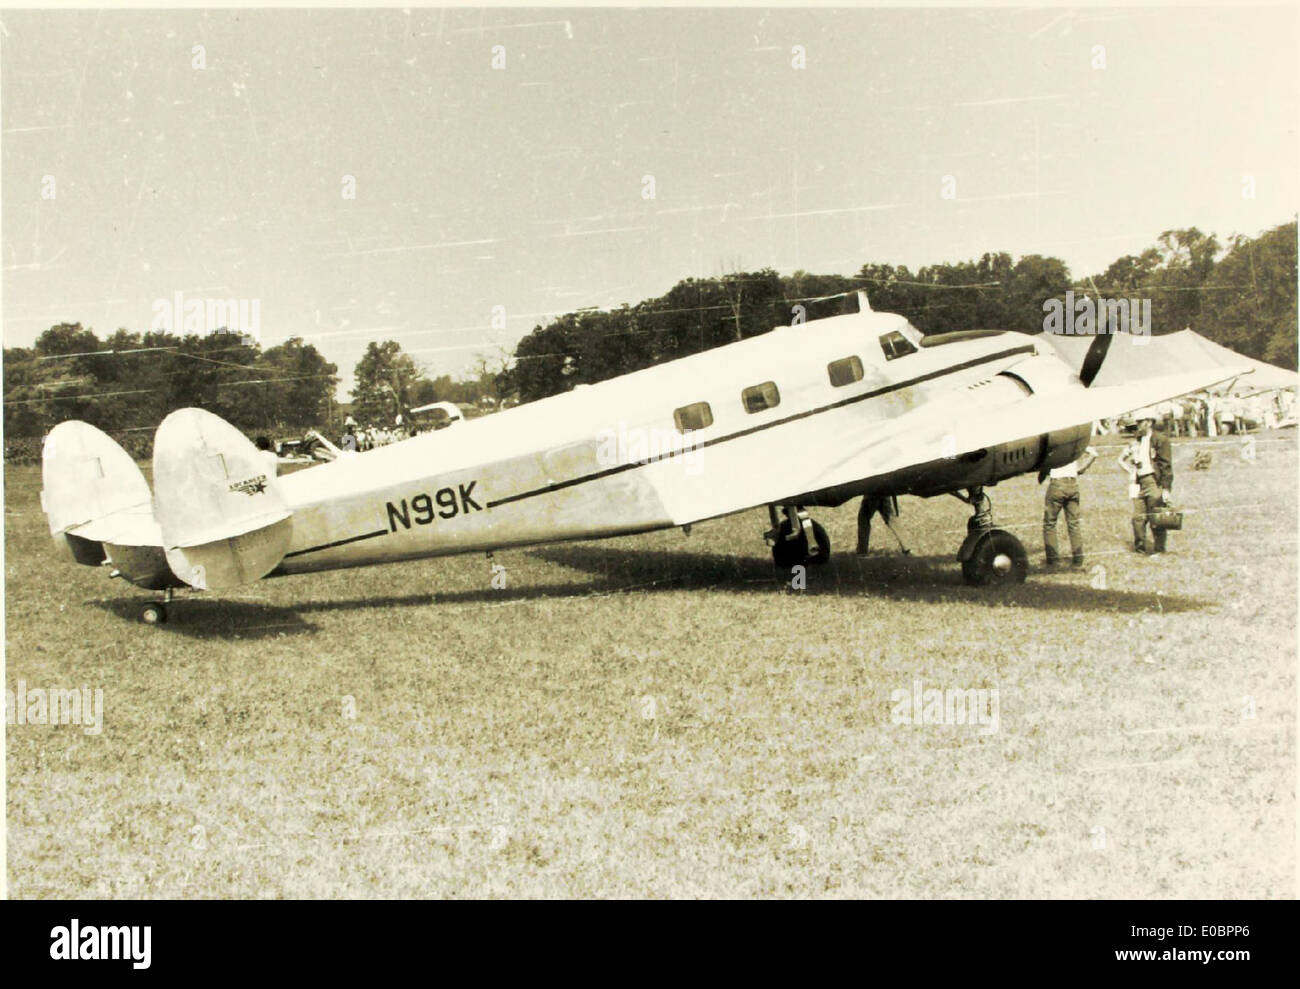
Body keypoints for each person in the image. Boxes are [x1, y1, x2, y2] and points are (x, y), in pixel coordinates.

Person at [1119, 417, 1173, 555]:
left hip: (1154, 481)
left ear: (1148, 423)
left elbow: (1166, 466)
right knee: (1138, 518)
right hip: (1138, 481)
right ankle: (1140, 550)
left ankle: (1159, 550)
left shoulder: (1160, 439)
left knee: (1156, 517)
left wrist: (1166, 489)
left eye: (1139, 422)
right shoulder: (1138, 440)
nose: (1137, 426)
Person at [1041, 445, 1097, 567]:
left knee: (1049, 523)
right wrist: (1081, 469)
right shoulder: (1073, 441)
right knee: (1074, 524)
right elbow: (1093, 453)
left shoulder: (1054, 442)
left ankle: (1053, 560)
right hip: (1073, 483)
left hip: (1057, 483)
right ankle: (1078, 560)